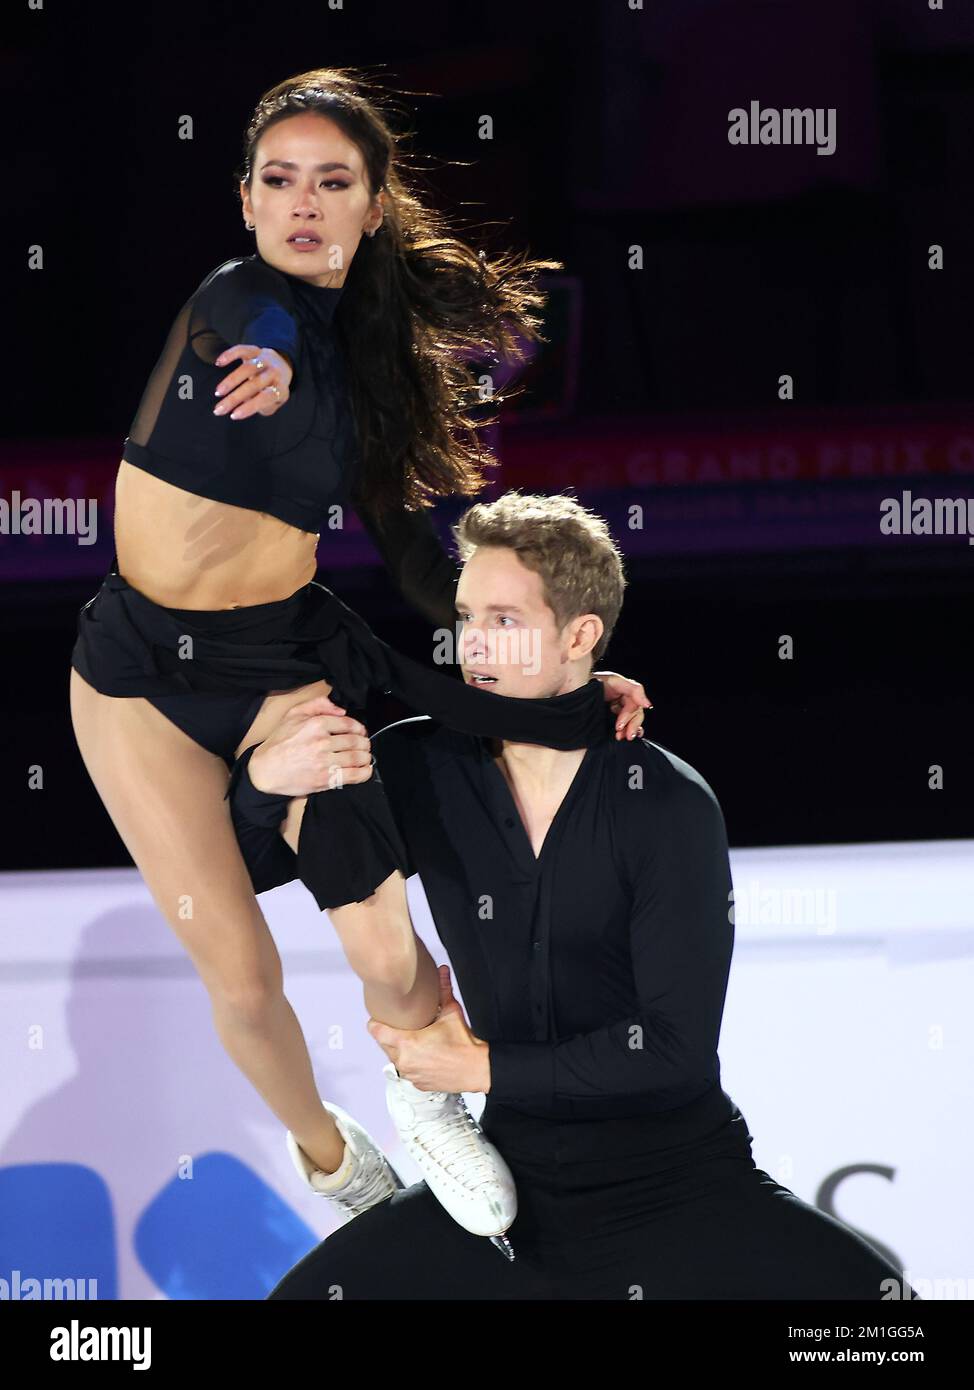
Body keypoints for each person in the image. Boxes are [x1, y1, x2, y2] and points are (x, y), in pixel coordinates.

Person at [68, 68, 649, 1242]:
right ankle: (341, 1165)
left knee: (386, 948)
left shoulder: (375, 373)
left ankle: (433, 1096)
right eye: (278, 180)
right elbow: (259, 329)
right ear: (243, 200)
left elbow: (421, 569)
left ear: (374, 204)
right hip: (138, 683)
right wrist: (277, 373)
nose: (303, 202)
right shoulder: (234, 307)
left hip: (277, 667)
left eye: (333, 181)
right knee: (240, 978)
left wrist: (534, 662)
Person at [223, 491, 920, 1301]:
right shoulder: (423, 767)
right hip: (510, 1198)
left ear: (581, 635)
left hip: (680, 1189)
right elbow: (242, 874)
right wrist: (264, 784)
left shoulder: (665, 803)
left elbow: (672, 1051)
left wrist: (482, 1067)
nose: (473, 642)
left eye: (505, 620)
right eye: (466, 616)